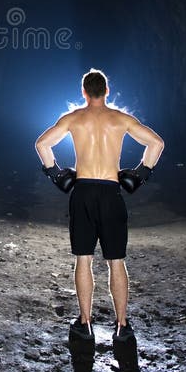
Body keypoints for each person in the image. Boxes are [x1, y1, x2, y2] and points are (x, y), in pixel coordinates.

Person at [34, 68, 164, 343]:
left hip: (82, 192)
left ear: (83, 92)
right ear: (107, 91)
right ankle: (122, 326)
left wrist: (56, 174)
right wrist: (141, 173)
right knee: (116, 261)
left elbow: (42, 144)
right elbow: (156, 143)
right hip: (110, 191)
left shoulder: (73, 119)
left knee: (84, 258)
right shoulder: (121, 120)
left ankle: (85, 323)